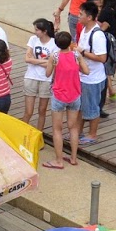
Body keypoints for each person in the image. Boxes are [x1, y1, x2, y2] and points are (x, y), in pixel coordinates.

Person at [48, 31, 86, 169]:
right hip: (74, 94)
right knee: (73, 127)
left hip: (59, 95)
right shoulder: (76, 55)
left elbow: (48, 73)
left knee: (57, 129)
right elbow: (86, 71)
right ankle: (73, 158)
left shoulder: (55, 56)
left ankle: (58, 161)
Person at [76, 0, 108, 144]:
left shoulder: (97, 35)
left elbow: (102, 58)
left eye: (81, 14)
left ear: (89, 17)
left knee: (92, 107)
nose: (78, 15)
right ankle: (77, 131)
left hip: (93, 78)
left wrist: (83, 53)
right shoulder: (84, 29)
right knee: (81, 106)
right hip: (83, 76)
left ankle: (92, 134)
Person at [22, 18, 57, 132]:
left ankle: (39, 134)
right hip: (31, 77)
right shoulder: (33, 39)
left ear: (44, 31)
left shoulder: (54, 43)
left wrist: (35, 60)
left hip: (46, 79)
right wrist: (46, 62)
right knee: (28, 111)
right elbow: (27, 59)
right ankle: (22, 132)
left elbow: (53, 64)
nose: (34, 32)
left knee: (42, 110)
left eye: (37, 30)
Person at [98, 0, 116, 106]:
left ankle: (111, 90)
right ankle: (111, 90)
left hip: (106, 40)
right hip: (114, 39)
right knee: (107, 65)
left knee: (104, 66)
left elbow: (102, 27)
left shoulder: (105, 11)